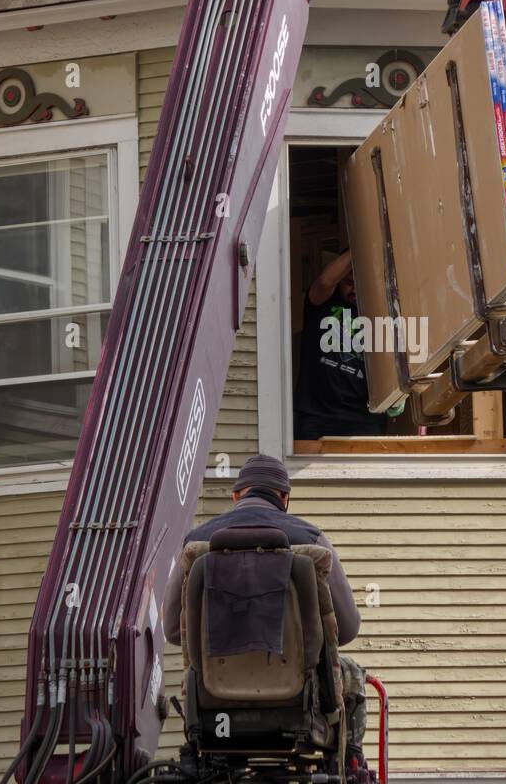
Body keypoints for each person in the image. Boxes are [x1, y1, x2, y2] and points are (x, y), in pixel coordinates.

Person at [162, 452, 360, 646]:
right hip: (297, 678)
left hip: (216, 678)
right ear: (285, 498)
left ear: (235, 496)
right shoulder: (312, 540)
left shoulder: (196, 541)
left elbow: (172, 630)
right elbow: (347, 629)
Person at [294, 249, 402, 441]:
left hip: (365, 420)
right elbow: (325, 282)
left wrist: (397, 398)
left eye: (360, 284)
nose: (354, 290)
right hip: (317, 417)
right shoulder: (320, 303)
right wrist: (361, 245)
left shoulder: (382, 313)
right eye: (349, 283)